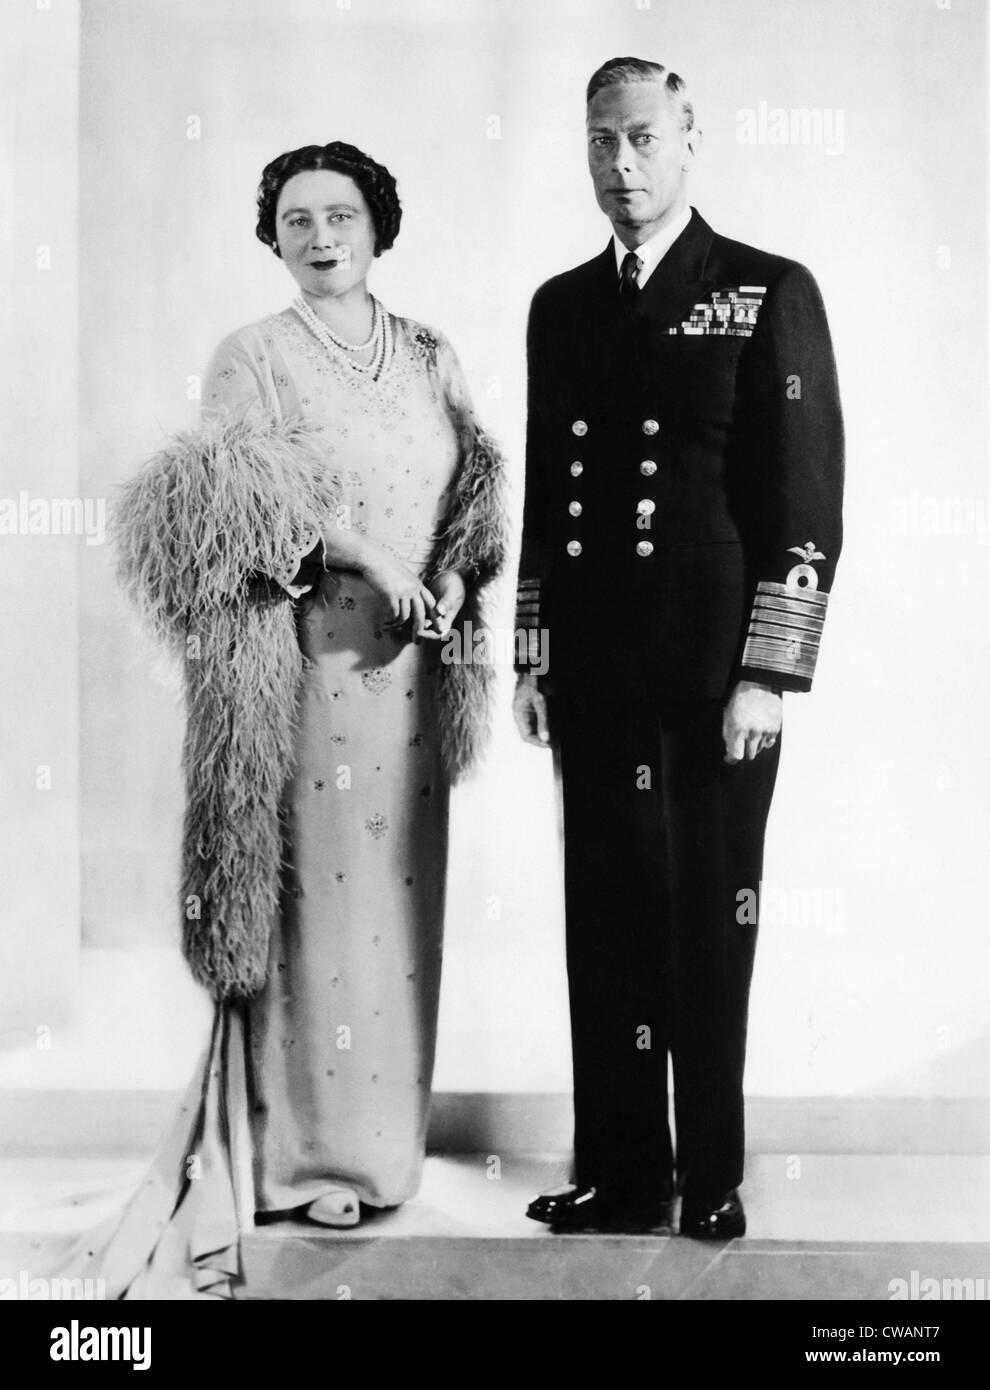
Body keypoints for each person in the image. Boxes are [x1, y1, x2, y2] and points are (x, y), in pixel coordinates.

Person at [81, 141, 507, 1297]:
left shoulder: (430, 354)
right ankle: (298, 1155)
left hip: (412, 676)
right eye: (298, 218)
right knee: (316, 909)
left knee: (397, 907)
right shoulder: (251, 359)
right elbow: (227, 511)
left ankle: (385, 1147)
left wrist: (458, 582)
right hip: (306, 669)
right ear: (272, 236)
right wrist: (362, 553)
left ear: (381, 226)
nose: (323, 235)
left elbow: (475, 500)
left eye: (344, 214)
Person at [513, 58, 844, 1238]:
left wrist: (770, 668)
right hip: (597, 674)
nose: (621, 165)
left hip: (714, 679)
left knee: (709, 923)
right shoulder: (563, 304)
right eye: (601, 142)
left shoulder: (761, 291)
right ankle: (619, 1171)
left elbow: (803, 502)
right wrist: (531, 653)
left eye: (643, 138)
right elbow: (549, 490)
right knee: (603, 921)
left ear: (691, 138)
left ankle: (709, 1175)